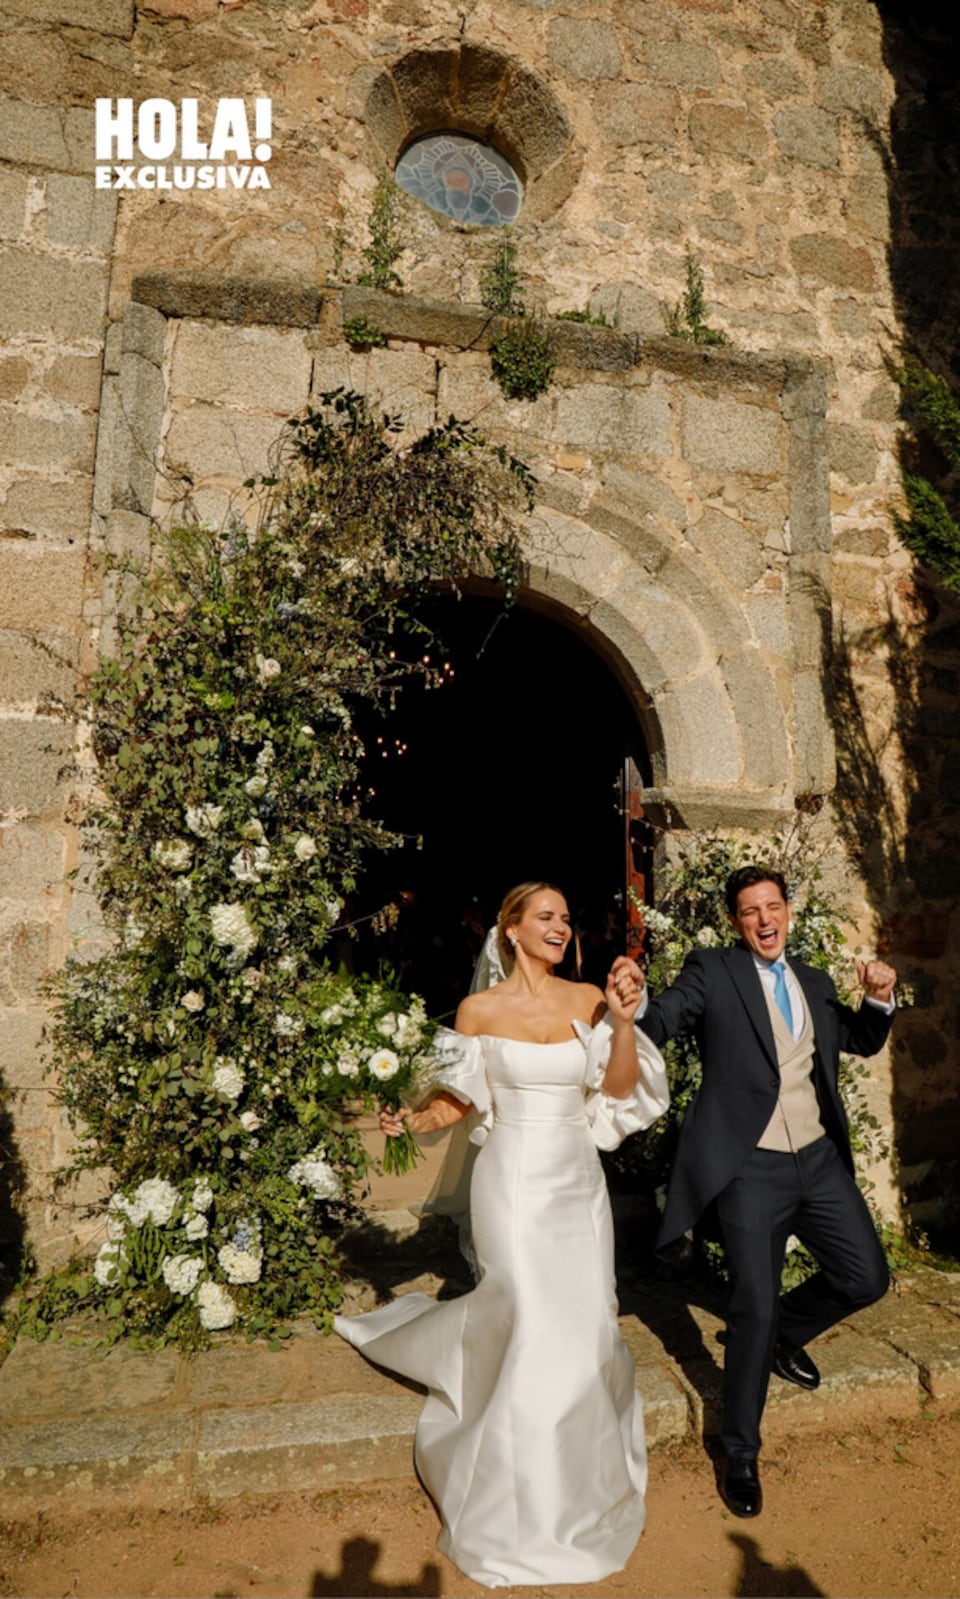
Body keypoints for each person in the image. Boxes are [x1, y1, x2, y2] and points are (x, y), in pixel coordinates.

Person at [334, 881, 670, 1589]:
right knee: (522, 1310)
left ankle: (575, 1488)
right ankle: (512, 1497)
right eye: (545, 916)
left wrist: (625, 1019)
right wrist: (410, 1119)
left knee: (579, 1323)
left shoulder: (586, 999)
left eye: (566, 918)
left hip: (577, 1182)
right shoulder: (478, 1010)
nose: (560, 926)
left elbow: (616, 1090)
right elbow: (458, 1099)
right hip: (511, 1182)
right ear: (510, 929)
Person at [632, 864, 896, 1520]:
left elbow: (858, 1041)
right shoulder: (713, 970)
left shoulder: (810, 980)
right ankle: (741, 1450)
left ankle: (786, 1334)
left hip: (819, 1162)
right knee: (752, 1300)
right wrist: (633, 1002)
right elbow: (663, 1019)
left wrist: (879, 998)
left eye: (772, 905)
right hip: (750, 1169)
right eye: (749, 911)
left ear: (788, 909)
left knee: (867, 1276)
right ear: (735, 921)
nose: (763, 918)